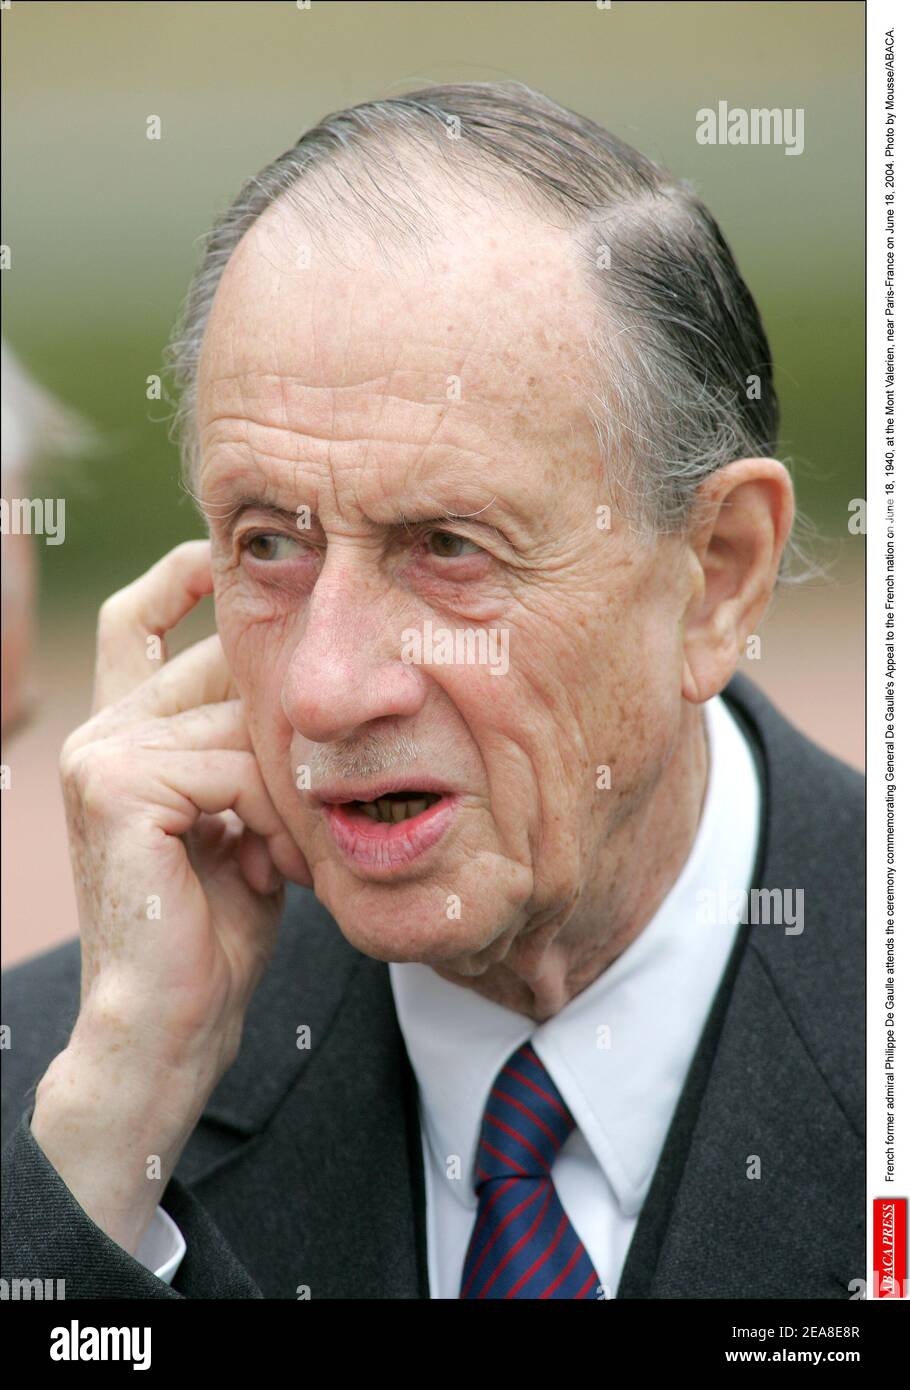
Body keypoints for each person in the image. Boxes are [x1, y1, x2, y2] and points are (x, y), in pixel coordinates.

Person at [1, 82, 863, 1299]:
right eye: (267, 545)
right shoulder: (57, 1119)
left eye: (449, 548)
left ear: (716, 576)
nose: (323, 687)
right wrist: (115, 1134)